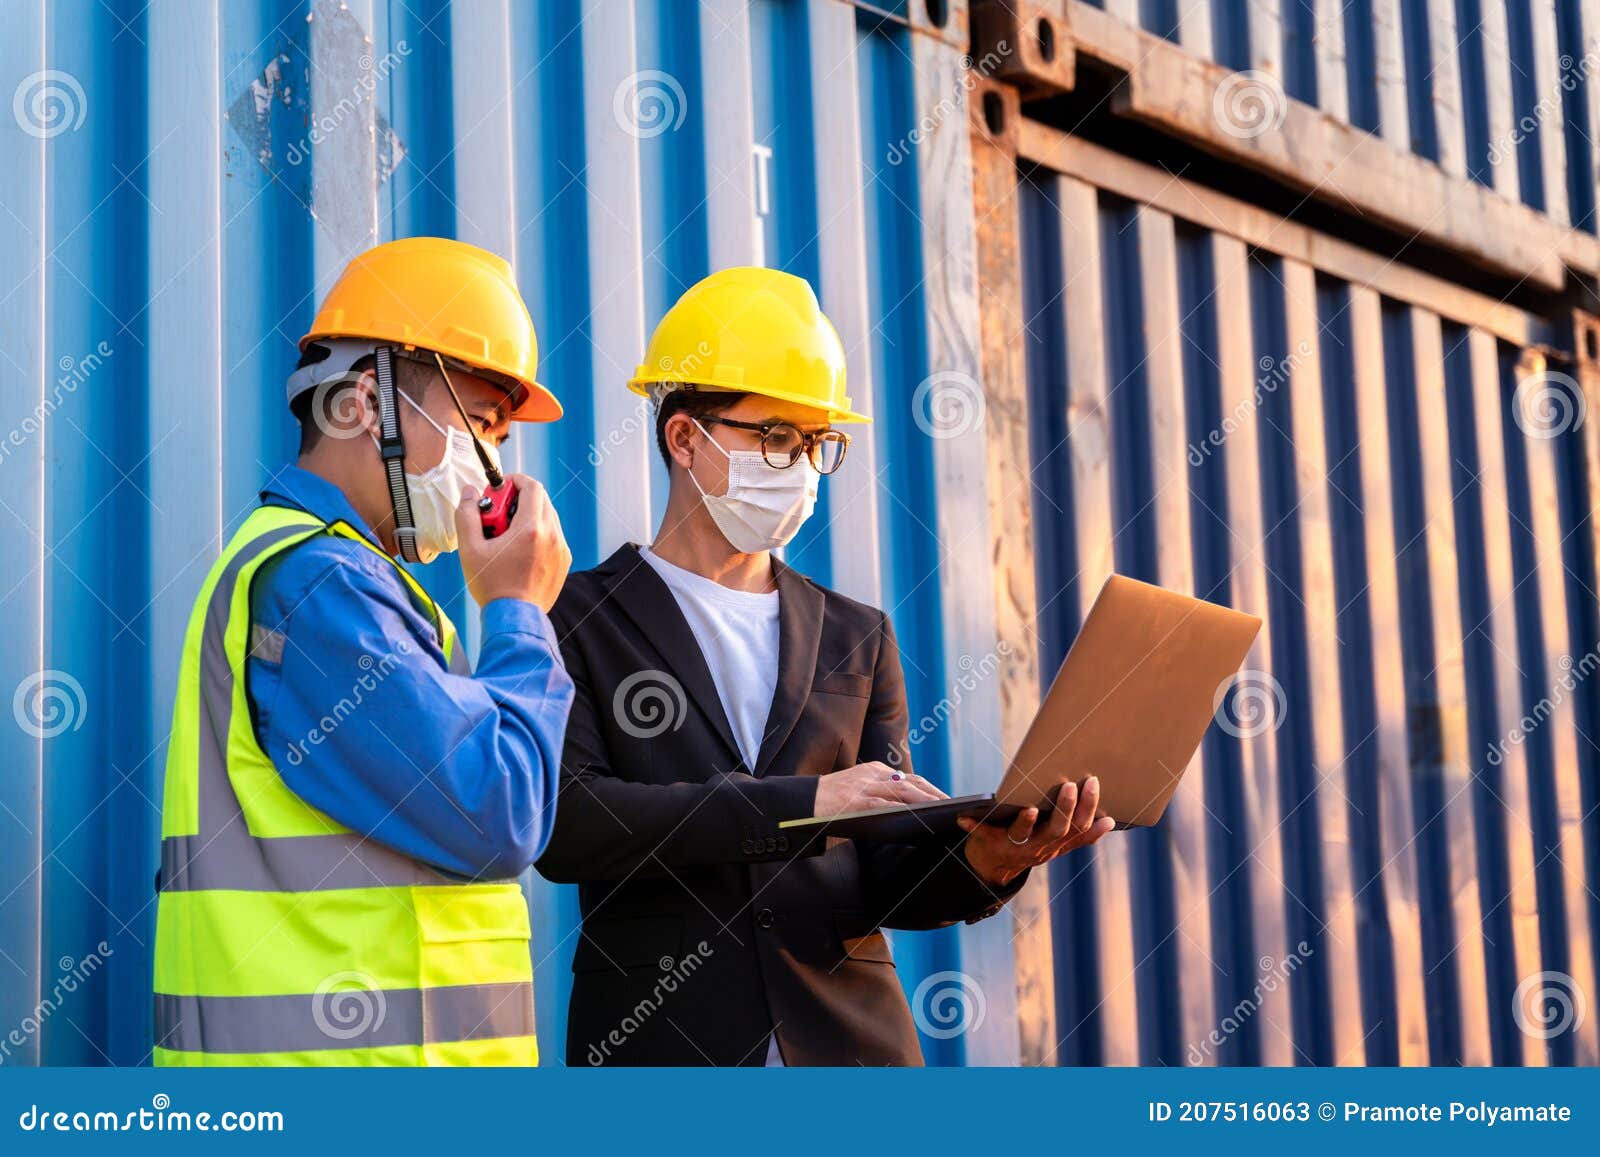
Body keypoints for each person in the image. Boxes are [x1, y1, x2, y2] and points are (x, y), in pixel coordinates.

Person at [537, 267, 1113, 1066]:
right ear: (683, 436)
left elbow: (884, 872)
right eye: (776, 435)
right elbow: (570, 827)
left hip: (850, 1049)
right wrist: (806, 801)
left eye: (816, 443)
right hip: (663, 1044)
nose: (800, 464)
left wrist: (991, 859)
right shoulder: (576, 615)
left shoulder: (857, 635)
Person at [152, 238, 574, 1066]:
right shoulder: (320, 589)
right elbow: (501, 812)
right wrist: (520, 610)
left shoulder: (357, 585)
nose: (493, 472)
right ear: (361, 406)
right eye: (479, 423)